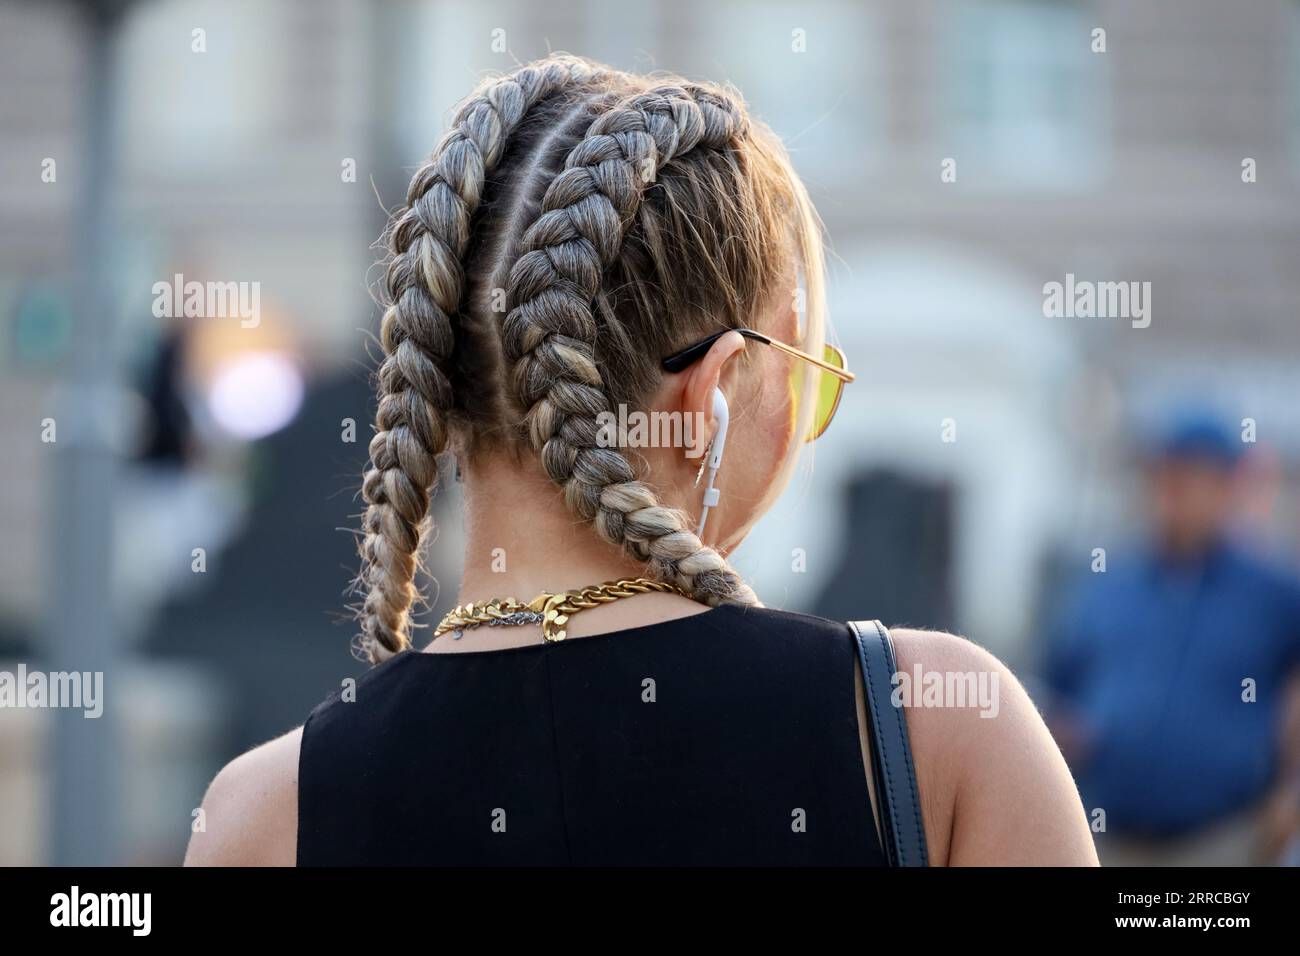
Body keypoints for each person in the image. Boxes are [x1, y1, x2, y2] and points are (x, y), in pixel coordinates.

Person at [184, 55, 1096, 867]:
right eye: (815, 384)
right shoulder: (931, 733)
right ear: (715, 397)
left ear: (449, 391)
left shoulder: (263, 815)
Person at [1044, 411, 1300, 865]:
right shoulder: (1108, 584)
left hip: (1223, 838)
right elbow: (1060, 685)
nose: (1176, 492)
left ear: (1227, 487)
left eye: (1195, 477)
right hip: (1107, 833)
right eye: (1167, 476)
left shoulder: (1271, 592)